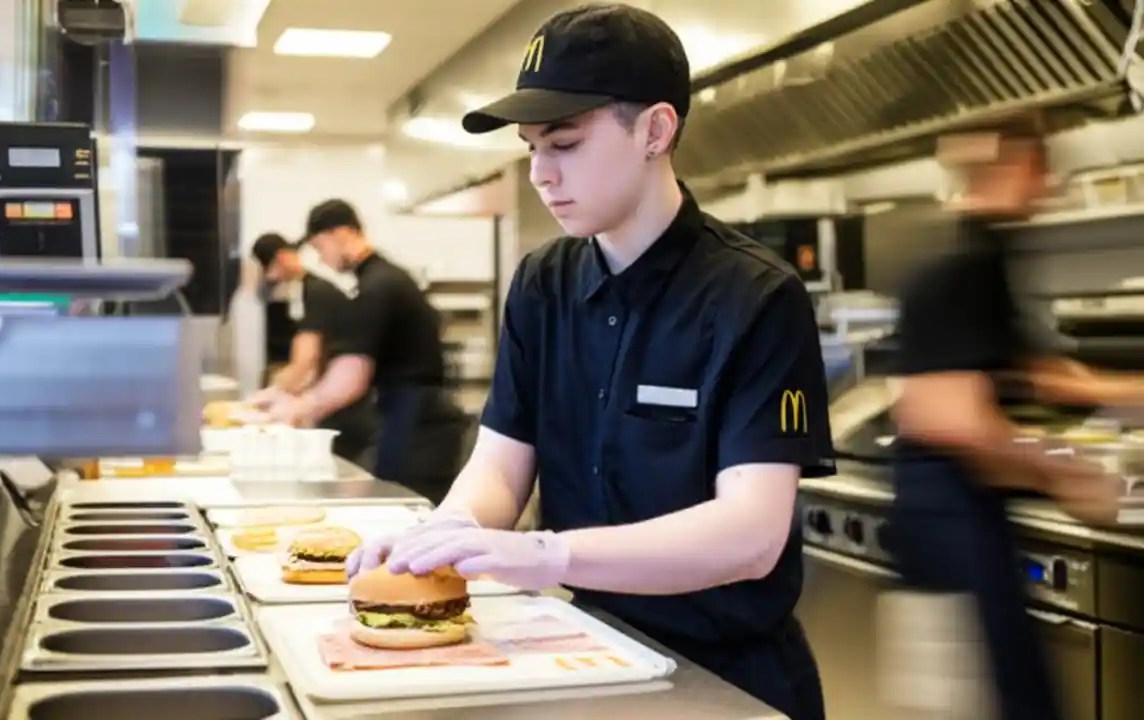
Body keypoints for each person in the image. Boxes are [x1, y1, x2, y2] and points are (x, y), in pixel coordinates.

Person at [347, 5, 835, 719]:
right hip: (591, 652)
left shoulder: (755, 297)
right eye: (531, 148)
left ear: (656, 130)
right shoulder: (542, 283)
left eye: (565, 144)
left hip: (730, 677)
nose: (541, 175)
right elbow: (499, 467)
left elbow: (752, 536)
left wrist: (548, 556)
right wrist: (438, 538)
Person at [888, 121, 1140, 720]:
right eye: (1043, 171)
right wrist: (1063, 470)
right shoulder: (962, 263)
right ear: (1018, 169)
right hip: (949, 527)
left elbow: (1035, 371)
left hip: (948, 517)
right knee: (987, 704)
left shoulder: (983, 252)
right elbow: (946, 416)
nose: (1048, 186)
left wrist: (1129, 393)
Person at [273, 199, 466, 503]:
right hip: (413, 418)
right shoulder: (385, 278)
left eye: (320, 247)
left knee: (409, 517)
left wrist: (297, 409)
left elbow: (350, 377)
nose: (322, 260)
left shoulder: (377, 287)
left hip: (418, 427)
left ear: (341, 234)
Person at [249, 232, 375, 464]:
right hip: (342, 402)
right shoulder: (310, 289)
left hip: (343, 410)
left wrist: (273, 394)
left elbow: (306, 360)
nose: (274, 277)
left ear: (283, 257)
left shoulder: (315, 292)